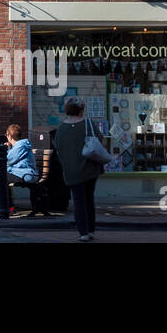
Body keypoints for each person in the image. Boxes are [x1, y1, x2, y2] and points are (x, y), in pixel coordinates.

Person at [53, 98, 105, 241]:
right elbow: (101, 140)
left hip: (71, 170)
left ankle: (83, 232)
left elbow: (58, 148)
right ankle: (91, 230)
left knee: (78, 200)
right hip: (90, 168)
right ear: (81, 109)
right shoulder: (88, 124)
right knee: (89, 199)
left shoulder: (61, 129)